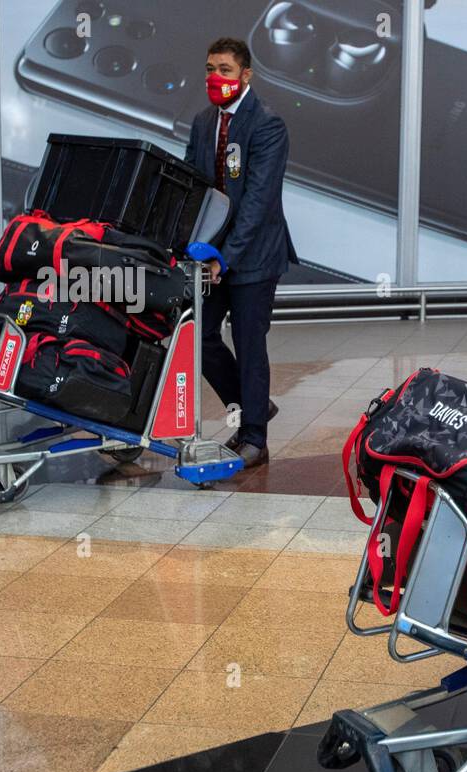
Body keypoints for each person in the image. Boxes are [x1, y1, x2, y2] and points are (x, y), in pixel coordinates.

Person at [185, 36, 297, 468]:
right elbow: (194, 184)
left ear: (246, 74)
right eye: (210, 69)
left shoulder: (267, 124)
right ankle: (252, 405)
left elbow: (256, 202)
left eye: (225, 70)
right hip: (211, 254)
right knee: (200, 336)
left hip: (254, 256)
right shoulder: (202, 121)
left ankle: (254, 438)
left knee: (250, 345)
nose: (216, 78)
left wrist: (224, 257)